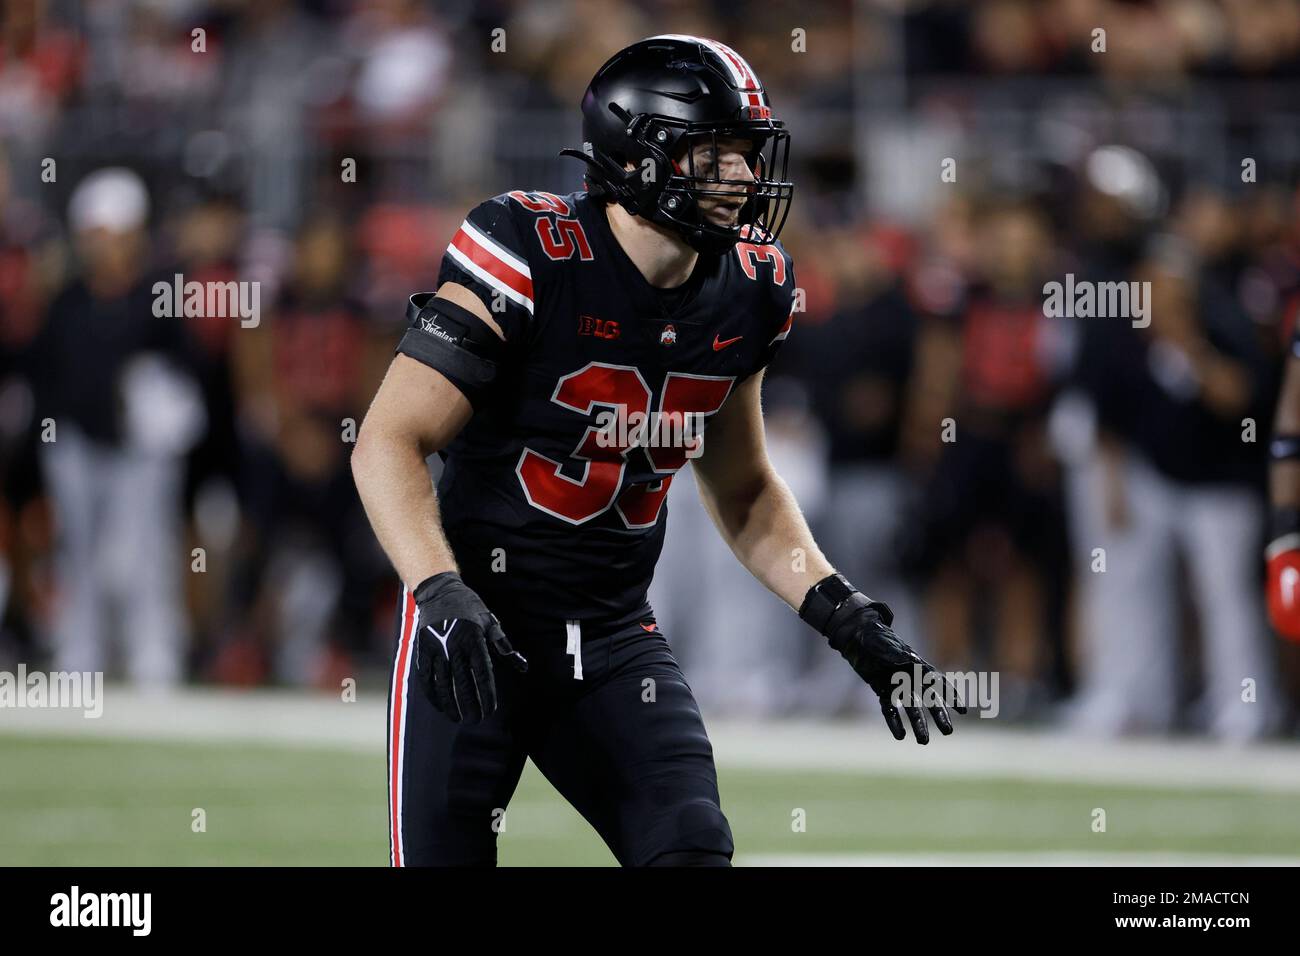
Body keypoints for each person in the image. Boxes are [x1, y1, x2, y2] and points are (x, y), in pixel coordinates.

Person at [351, 35, 962, 868]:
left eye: (748, 155)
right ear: (638, 157)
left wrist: (845, 617)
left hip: (610, 636)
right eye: (715, 154)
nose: (745, 178)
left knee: (691, 849)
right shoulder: (529, 251)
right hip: (480, 628)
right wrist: (441, 593)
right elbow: (388, 439)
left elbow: (744, 491)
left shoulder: (751, 285)